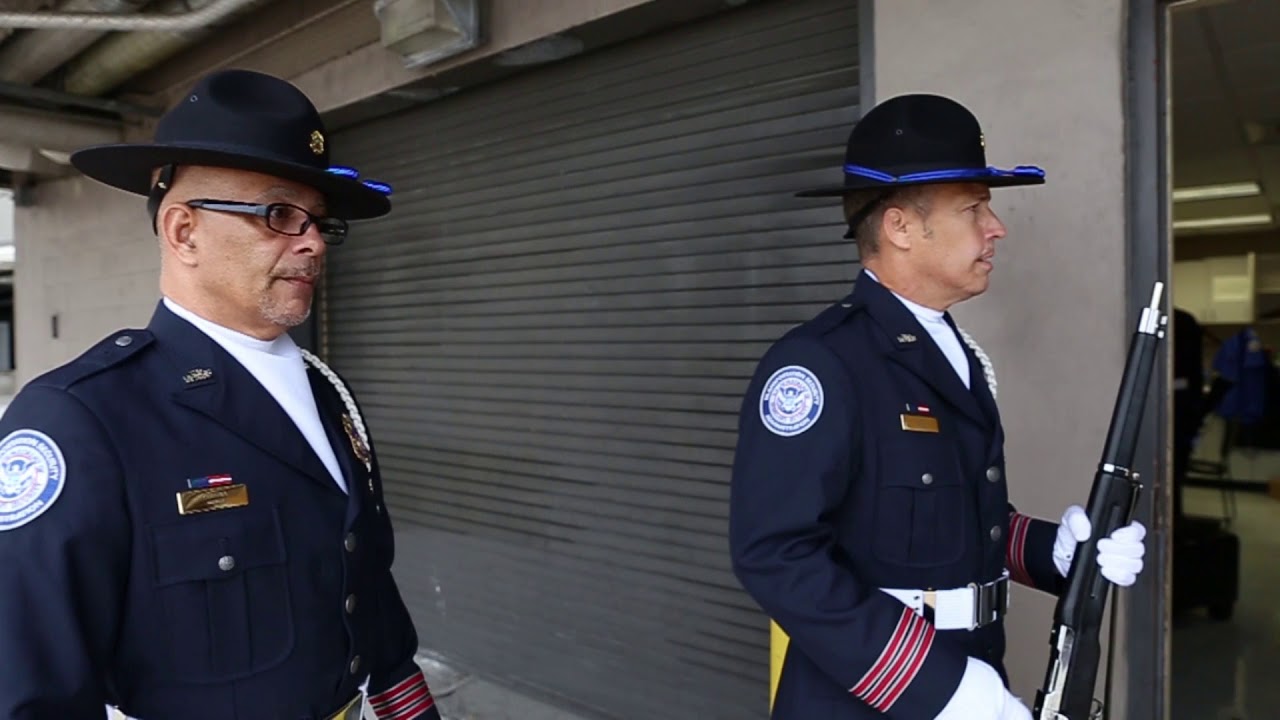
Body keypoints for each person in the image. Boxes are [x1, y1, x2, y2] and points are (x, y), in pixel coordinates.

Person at [0, 69, 439, 720]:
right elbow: (31, 694)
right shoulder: (82, 418)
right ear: (183, 232)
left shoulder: (328, 392)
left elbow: (368, 591)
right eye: (279, 214)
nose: (313, 241)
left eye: (319, 222)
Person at [728, 93, 1148, 720]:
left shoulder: (952, 349)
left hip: (972, 670)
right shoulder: (821, 364)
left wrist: (1056, 552)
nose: (996, 227)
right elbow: (775, 553)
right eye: (974, 208)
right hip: (870, 696)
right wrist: (943, 689)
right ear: (899, 227)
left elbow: (958, 522)